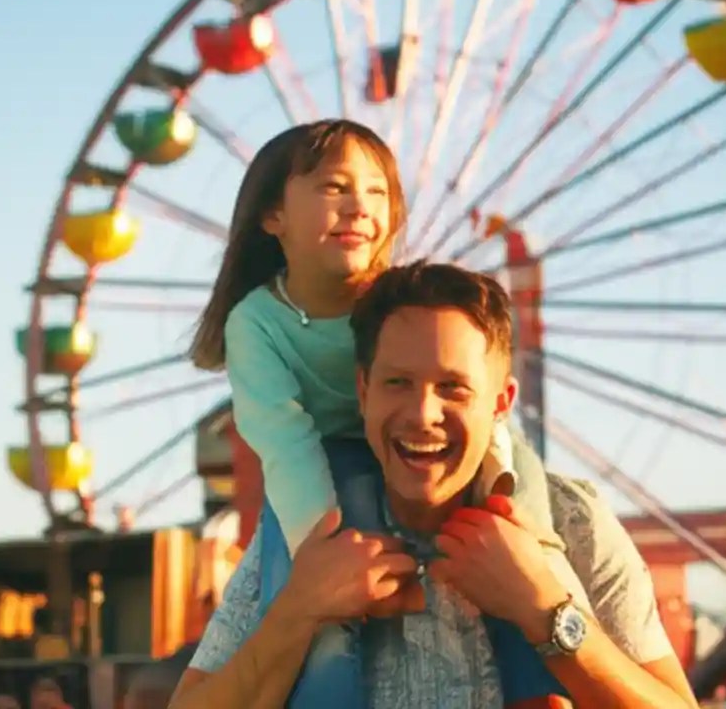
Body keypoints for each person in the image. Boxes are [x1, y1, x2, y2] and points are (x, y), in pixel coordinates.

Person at [172, 261, 698, 708]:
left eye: (453, 389)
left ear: (500, 403)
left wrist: (547, 612)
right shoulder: (305, 529)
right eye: (398, 383)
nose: (423, 415)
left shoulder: (570, 522)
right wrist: (300, 608)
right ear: (362, 390)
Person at [187, 120, 559, 704]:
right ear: (272, 217)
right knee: (322, 567)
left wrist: (502, 504)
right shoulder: (255, 325)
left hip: (421, 461)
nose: (360, 205)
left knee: (529, 516)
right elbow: (285, 443)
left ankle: (538, 686)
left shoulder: (399, 304)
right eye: (335, 188)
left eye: (378, 192)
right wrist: (323, 557)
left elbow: (483, 407)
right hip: (331, 461)